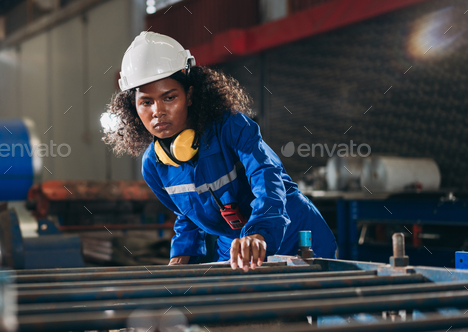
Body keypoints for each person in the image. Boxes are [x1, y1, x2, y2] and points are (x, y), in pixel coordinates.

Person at [102, 31, 337, 271]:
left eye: (169, 97)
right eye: (146, 102)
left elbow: (267, 175)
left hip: (294, 232)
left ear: (189, 95)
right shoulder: (154, 166)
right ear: (134, 106)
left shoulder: (231, 127)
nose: (157, 111)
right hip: (234, 246)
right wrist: (182, 256)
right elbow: (188, 215)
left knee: (314, 305)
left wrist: (259, 233)